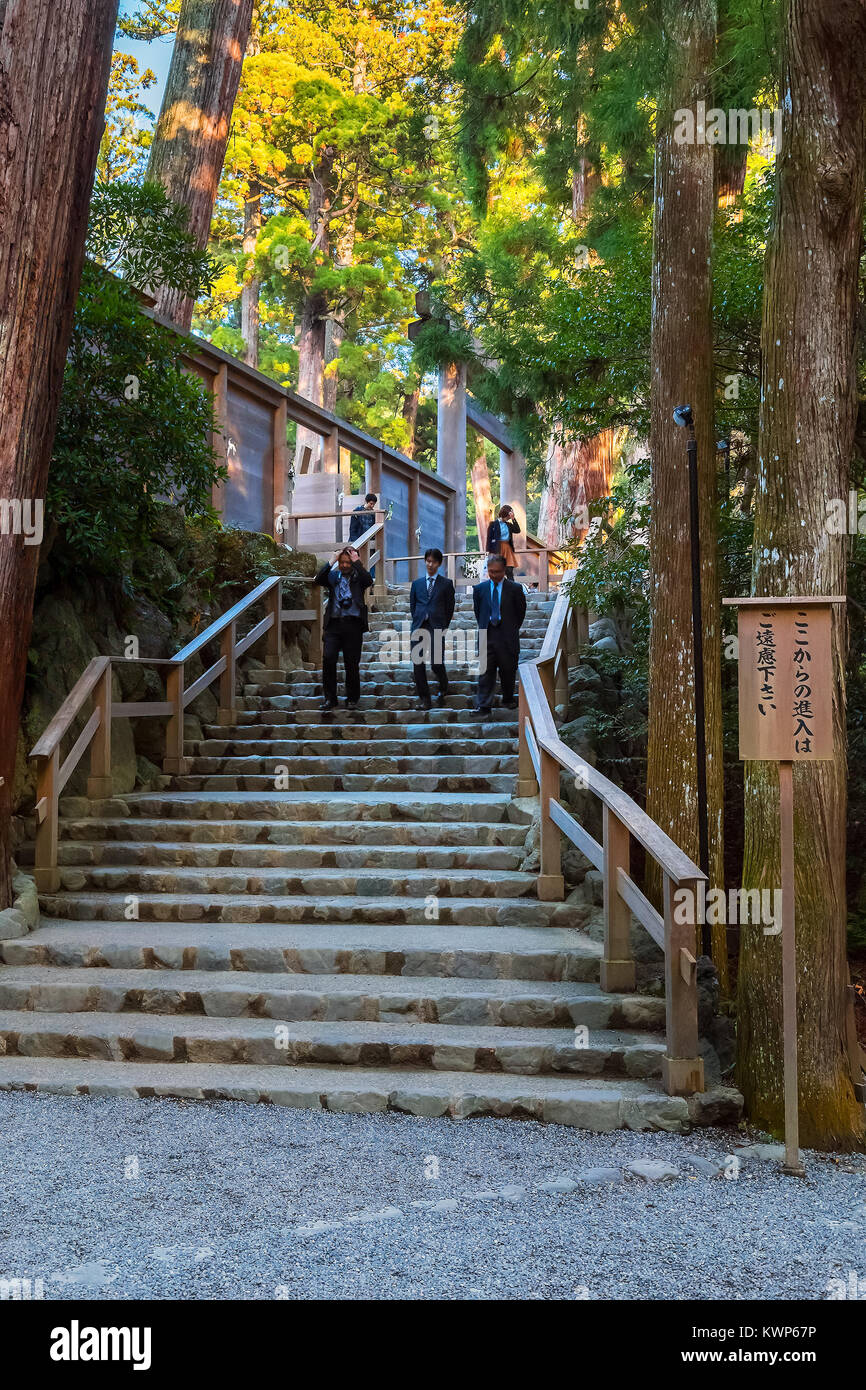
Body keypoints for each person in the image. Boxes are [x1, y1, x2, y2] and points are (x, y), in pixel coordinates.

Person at [313, 547, 374, 712]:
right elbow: (318, 579)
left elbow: (369, 581)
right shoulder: (334, 576)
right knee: (328, 658)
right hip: (334, 624)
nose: (345, 565)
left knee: (351, 663)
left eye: (348, 562)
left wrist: (357, 562)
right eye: (342, 562)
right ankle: (330, 699)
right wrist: (332, 560)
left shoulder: (358, 578)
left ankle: (352, 699)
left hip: (353, 625)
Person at [472, 553, 526, 713]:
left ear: (504, 570)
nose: (494, 575)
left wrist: (511, 628)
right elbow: (478, 611)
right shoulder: (480, 589)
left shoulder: (515, 589)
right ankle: (483, 705)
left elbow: (520, 612)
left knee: (508, 670)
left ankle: (508, 699)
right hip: (487, 635)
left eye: (498, 571)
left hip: (507, 636)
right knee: (485, 672)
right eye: (491, 571)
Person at [409, 548, 455, 709]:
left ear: (439, 564)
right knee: (418, 663)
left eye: (433, 561)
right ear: (425, 562)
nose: (430, 564)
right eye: (428, 561)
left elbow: (450, 608)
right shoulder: (417, 584)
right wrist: (417, 621)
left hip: (437, 626)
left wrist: (444, 625)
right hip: (419, 626)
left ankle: (443, 685)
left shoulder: (447, 584)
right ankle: (425, 699)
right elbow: (413, 606)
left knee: (436, 663)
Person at [486, 503, 521, 579]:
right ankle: (496, 589)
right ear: (504, 514)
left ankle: (511, 589)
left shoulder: (508, 524)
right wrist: (489, 552)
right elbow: (489, 539)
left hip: (507, 549)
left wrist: (513, 519)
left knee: (509, 571)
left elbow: (517, 530)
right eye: (509, 515)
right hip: (497, 549)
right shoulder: (493, 524)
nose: (509, 517)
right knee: (497, 571)